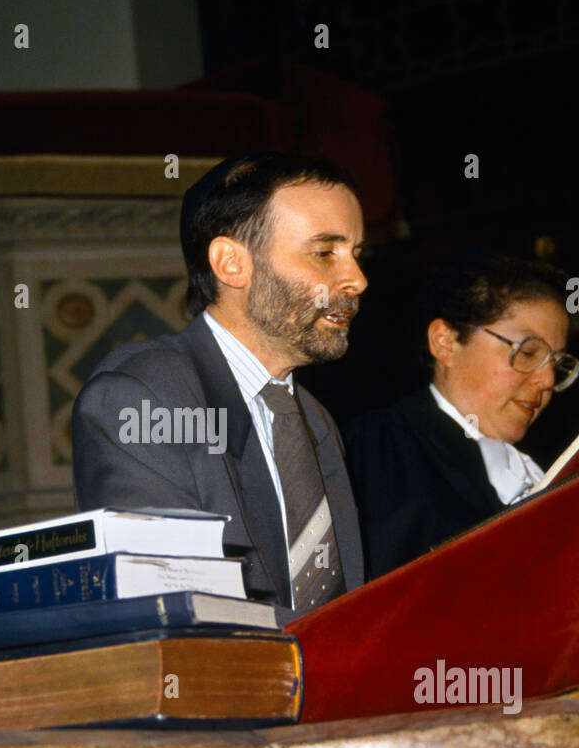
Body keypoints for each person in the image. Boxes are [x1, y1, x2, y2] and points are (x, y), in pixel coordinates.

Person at [72, 153, 367, 615]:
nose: (357, 280)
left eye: (356, 254)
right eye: (325, 253)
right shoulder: (144, 401)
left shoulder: (314, 419)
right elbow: (178, 610)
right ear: (232, 263)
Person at [344, 253, 579, 579]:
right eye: (527, 352)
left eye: (556, 363)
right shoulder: (381, 449)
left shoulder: (553, 472)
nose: (548, 380)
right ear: (446, 342)